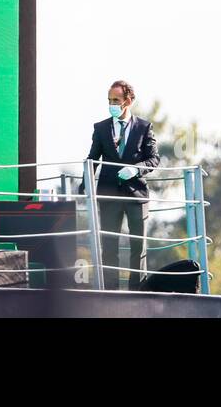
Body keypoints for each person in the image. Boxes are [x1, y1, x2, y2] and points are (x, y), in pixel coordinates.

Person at [84, 79, 160, 289]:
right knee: (109, 245)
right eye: (109, 100)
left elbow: (154, 159)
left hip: (136, 194)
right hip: (108, 194)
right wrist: (85, 185)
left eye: (116, 100)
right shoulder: (100, 128)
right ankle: (110, 290)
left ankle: (138, 290)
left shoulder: (144, 127)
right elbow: (92, 158)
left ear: (128, 101)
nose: (112, 104)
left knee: (138, 245)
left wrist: (135, 169)